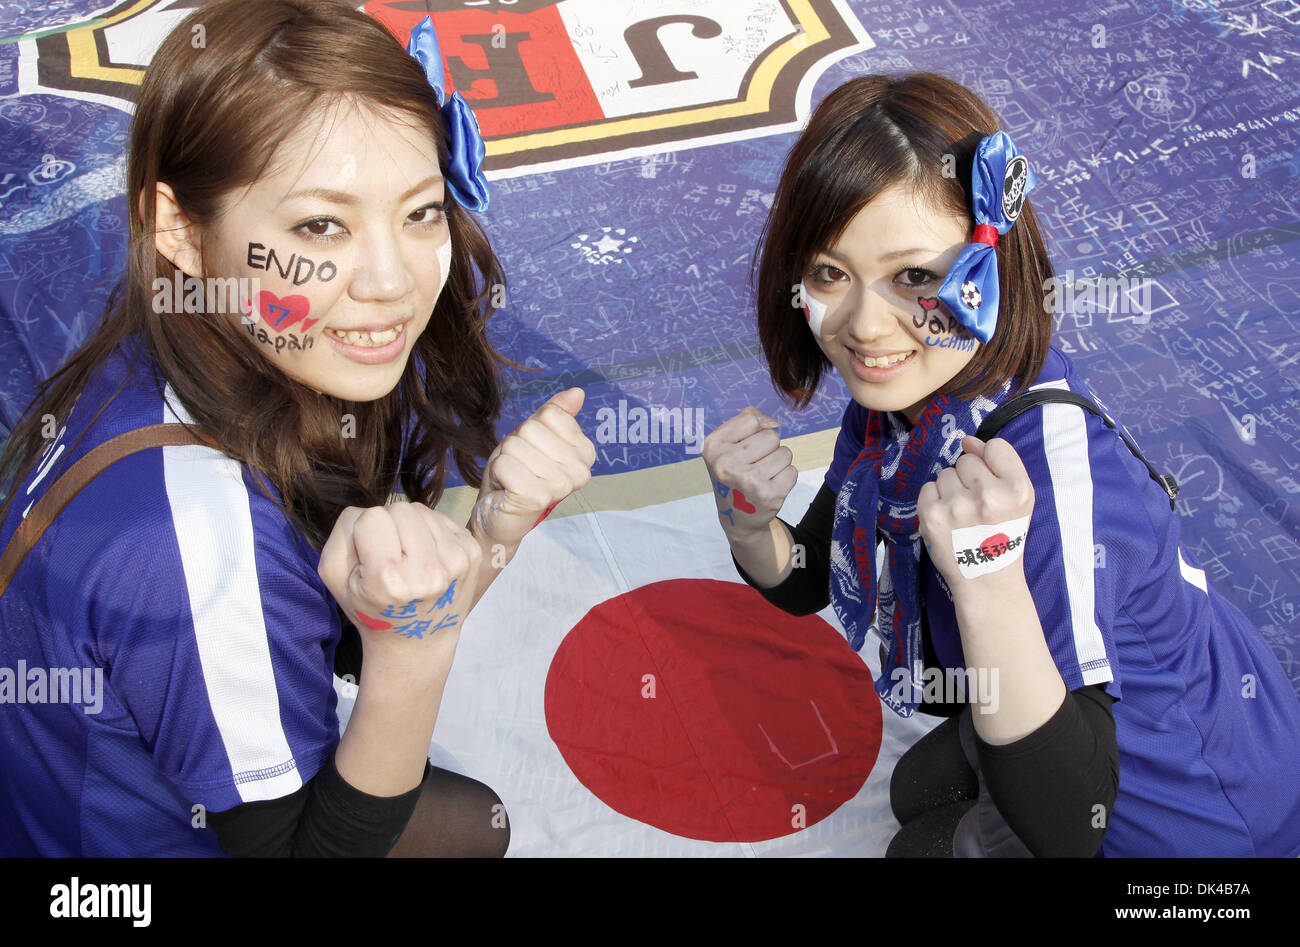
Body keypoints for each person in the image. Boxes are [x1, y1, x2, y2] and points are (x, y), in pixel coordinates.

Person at [0, 0, 595, 857]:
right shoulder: (202, 543)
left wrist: (497, 517)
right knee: (478, 827)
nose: (391, 282)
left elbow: (338, 627)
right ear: (179, 228)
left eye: (422, 211)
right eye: (321, 226)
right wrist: (412, 659)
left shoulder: (190, 338)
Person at [702, 72, 1300, 857]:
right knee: (919, 792)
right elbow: (812, 571)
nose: (865, 326)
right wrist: (747, 526)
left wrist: (987, 585)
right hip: (1099, 732)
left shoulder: (1046, 479)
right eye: (829, 273)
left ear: (993, 263)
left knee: (914, 849)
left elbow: (1068, 820)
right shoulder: (909, 391)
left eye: (915, 277)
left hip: (1200, 823)